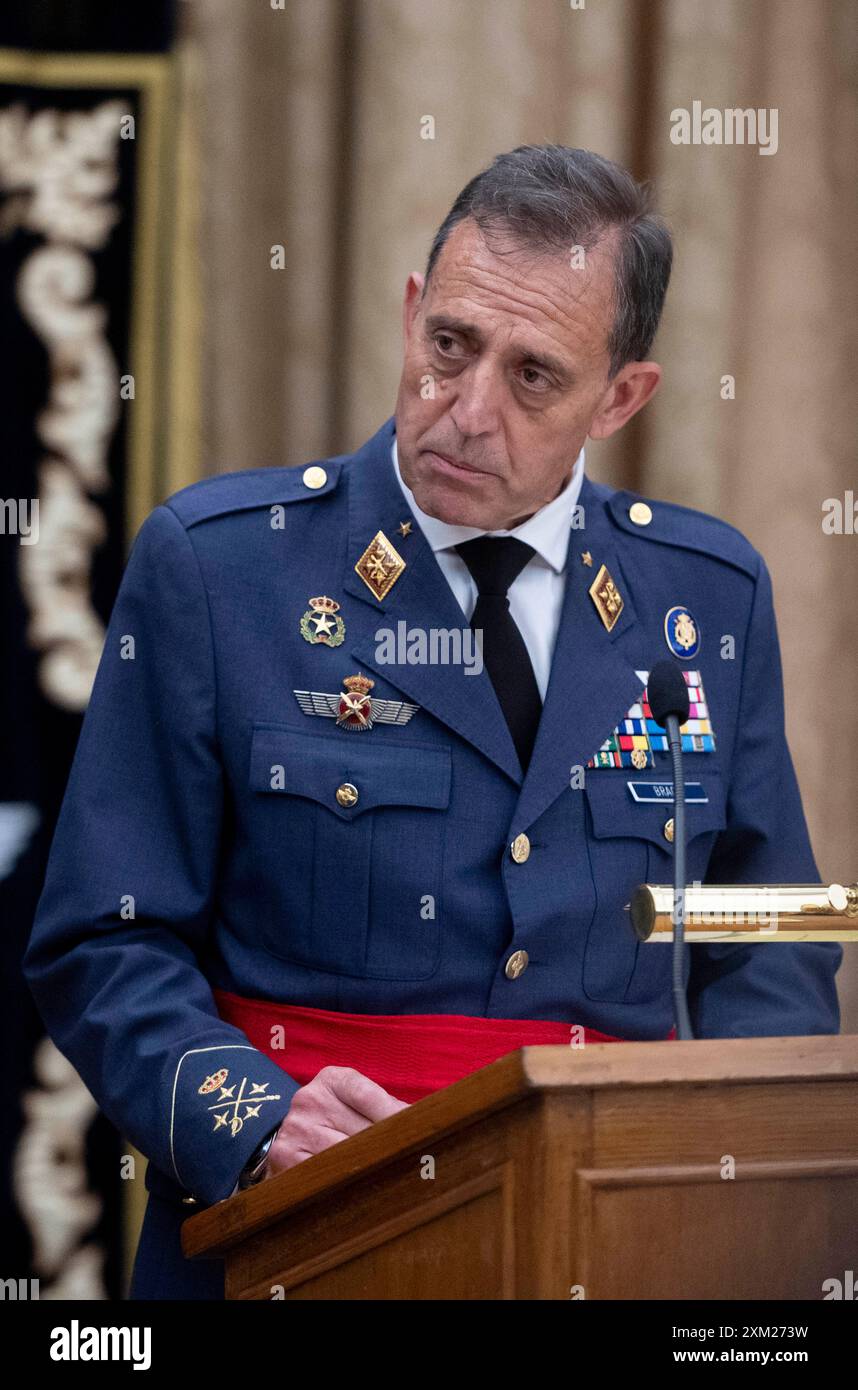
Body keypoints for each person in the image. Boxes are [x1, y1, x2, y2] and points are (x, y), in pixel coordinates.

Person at [24, 145, 841, 1301]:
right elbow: (99, 940)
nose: (465, 412)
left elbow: (771, 935)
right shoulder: (221, 571)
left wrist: (715, 1194)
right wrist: (252, 1119)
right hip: (299, 1231)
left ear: (622, 396)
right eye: (450, 346)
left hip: (609, 1247)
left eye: (533, 378)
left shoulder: (708, 596)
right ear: (411, 314)